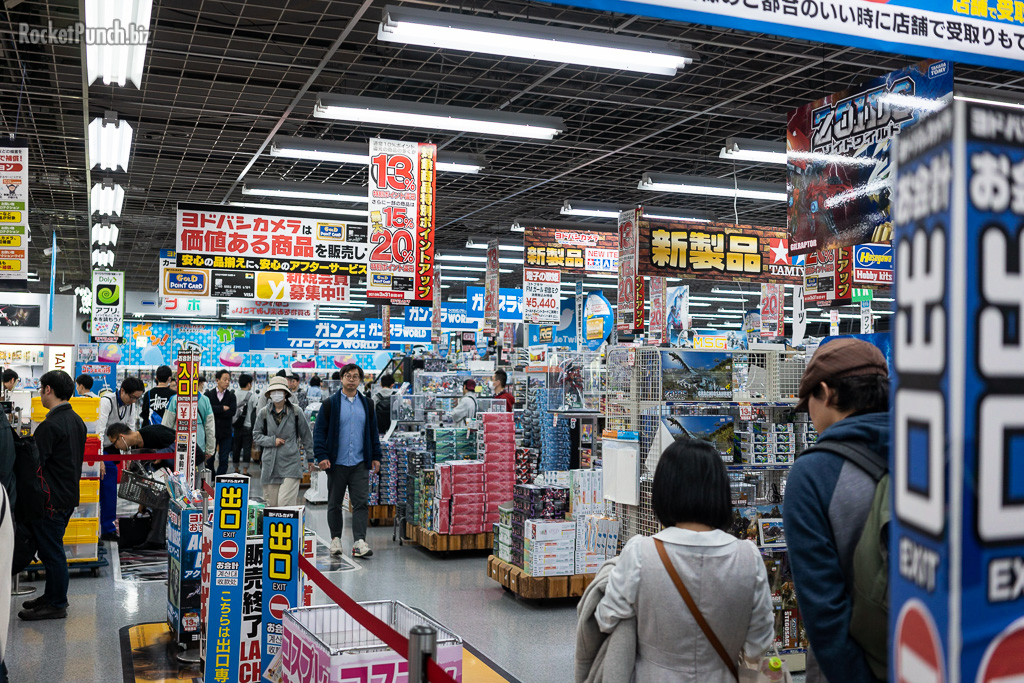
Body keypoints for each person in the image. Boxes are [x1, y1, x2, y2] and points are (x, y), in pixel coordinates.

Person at [589, 438, 774, 682]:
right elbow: (758, 645)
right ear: (721, 491)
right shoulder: (748, 557)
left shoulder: (640, 553)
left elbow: (605, 618)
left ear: (664, 491)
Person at [783, 338, 890, 683]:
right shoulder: (929, 451)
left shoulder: (813, 474)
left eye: (809, 403)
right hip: (926, 655)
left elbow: (824, 613)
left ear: (826, 393)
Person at [12, 370, 86, 621]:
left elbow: (35, 463)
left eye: (41, 388)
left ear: (48, 390)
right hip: (66, 496)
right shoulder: (76, 420)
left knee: (52, 552)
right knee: (50, 549)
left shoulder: (51, 425)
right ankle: (52, 596)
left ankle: (56, 603)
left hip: (50, 499)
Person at [313, 363, 382, 559]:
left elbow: (372, 433)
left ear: (360, 380)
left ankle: (359, 541)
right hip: (337, 463)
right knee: (334, 503)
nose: (352, 380)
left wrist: (376, 457)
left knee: (361, 503)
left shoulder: (368, 404)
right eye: (348, 376)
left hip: (360, 463)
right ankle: (335, 539)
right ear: (341, 378)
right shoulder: (330, 404)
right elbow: (319, 432)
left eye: (355, 376)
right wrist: (322, 456)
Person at [252, 377, 314, 507]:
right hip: (270, 465)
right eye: (273, 391)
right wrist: (272, 441)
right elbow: (256, 435)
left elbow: (306, 436)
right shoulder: (263, 413)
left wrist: (311, 459)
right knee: (271, 506)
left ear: (286, 393)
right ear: (269, 394)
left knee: (285, 504)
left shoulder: (296, 412)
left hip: (291, 463)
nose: (276, 394)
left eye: (280, 390)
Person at [97, 376, 144, 542]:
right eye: (132, 397)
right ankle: (107, 529)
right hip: (102, 449)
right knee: (108, 490)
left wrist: (129, 454)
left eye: (137, 398)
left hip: (116, 448)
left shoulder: (130, 406)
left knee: (110, 491)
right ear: (122, 390)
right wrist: (99, 458)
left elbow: (131, 430)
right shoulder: (107, 402)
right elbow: (99, 430)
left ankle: (107, 527)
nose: (133, 401)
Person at [165, 391, 216, 478]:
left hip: (177, 446)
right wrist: (210, 449)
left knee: (177, 477)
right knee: (197, 479)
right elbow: (210, 428)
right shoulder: (205, 400)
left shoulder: (174, 399)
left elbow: (166, 425)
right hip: (199, 447)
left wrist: (165, 447)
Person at [205, 369, 237, 476]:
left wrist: (215, 410)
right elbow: (207, 410)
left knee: (224, 458)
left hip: (226, 432)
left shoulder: (231, 395)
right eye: (225, 379)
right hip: (211, 432)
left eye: (229, 380)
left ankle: (219, 479)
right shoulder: (208, 394)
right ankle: (211, 478)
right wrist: (222, 408)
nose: (227, 382)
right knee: (210, 458)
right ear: (217, 380)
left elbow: (232, 412)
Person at [232, 373, 258, 475]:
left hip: (236, 425)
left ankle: (236, 469)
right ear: (248, 384)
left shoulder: (234, 394)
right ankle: (245, 471)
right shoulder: (253, 396)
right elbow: (256, 411)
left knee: (236, 447)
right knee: (247, 448)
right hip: (248, 425)